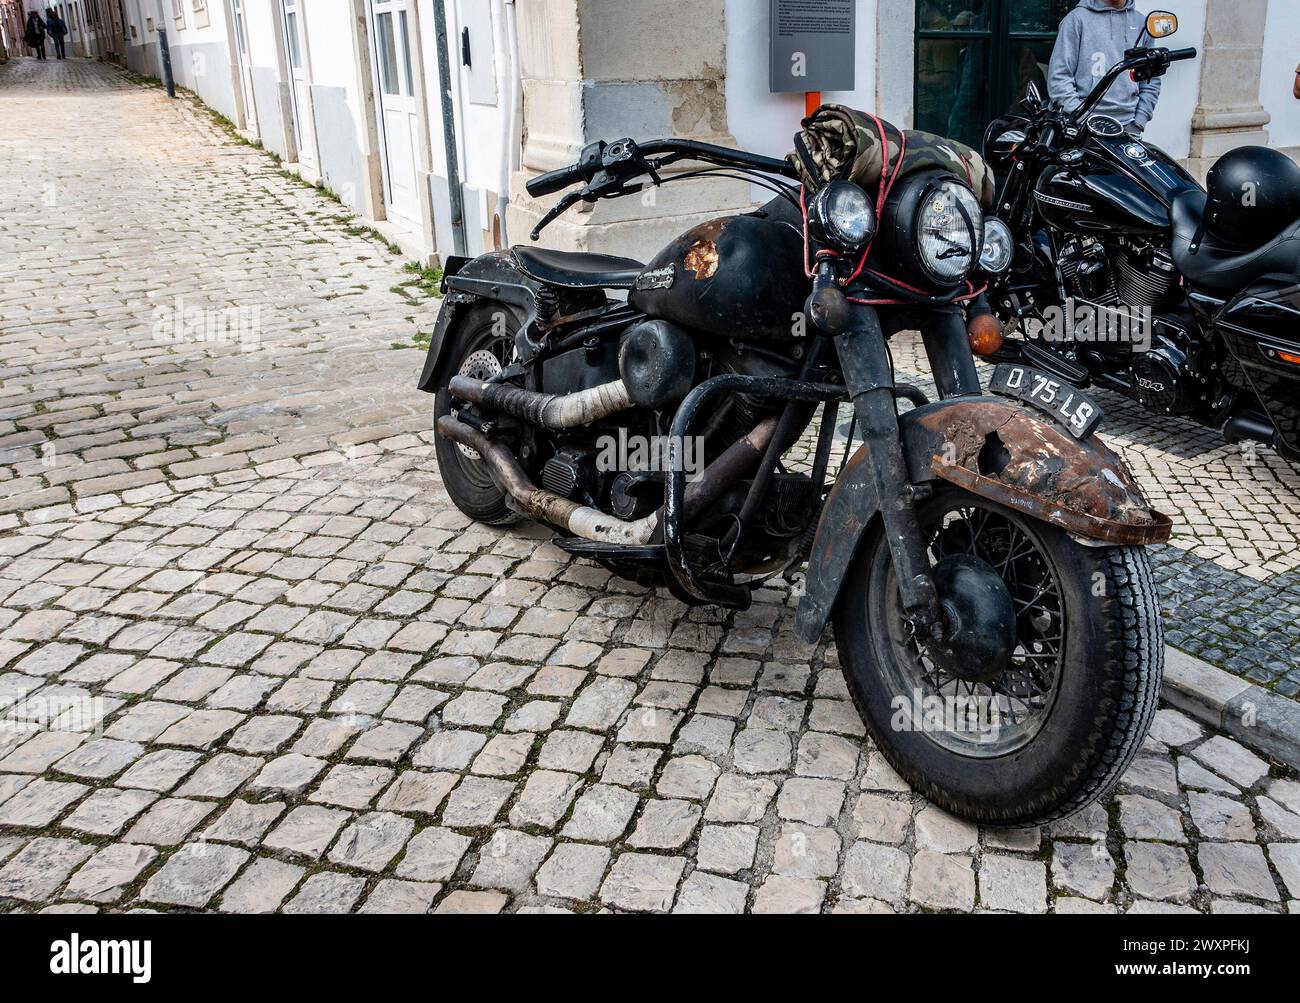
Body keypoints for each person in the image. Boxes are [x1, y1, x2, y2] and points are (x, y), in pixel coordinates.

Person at [1048, 0, 1161, 136]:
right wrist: (1080, 118)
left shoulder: (1141, 23)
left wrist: (1139, 121)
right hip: (1082, 128)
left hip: (1128, 127)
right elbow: (1059, 77)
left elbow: (1150, 79)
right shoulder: (1076, 19)